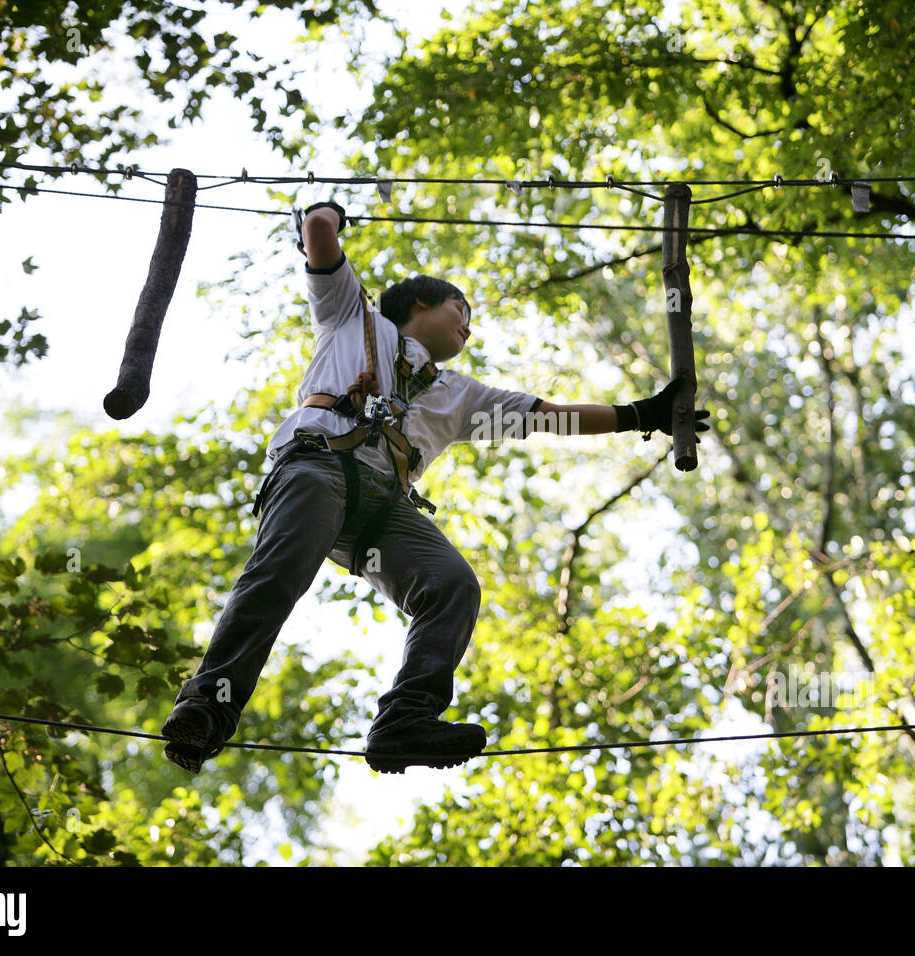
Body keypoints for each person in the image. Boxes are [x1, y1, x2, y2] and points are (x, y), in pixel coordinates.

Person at [162, 199, 709, 774]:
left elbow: (551, 416)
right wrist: (323, 212)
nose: (468, 326)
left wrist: (641, 414)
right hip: (316, 467)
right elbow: (319, 231)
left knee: (451, 585)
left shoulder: (462, 397)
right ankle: (206, 707)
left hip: (382, 507)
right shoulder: (353, 316)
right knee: (278, 575)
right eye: (460, 308)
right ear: (419, 302)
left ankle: (404, 721)